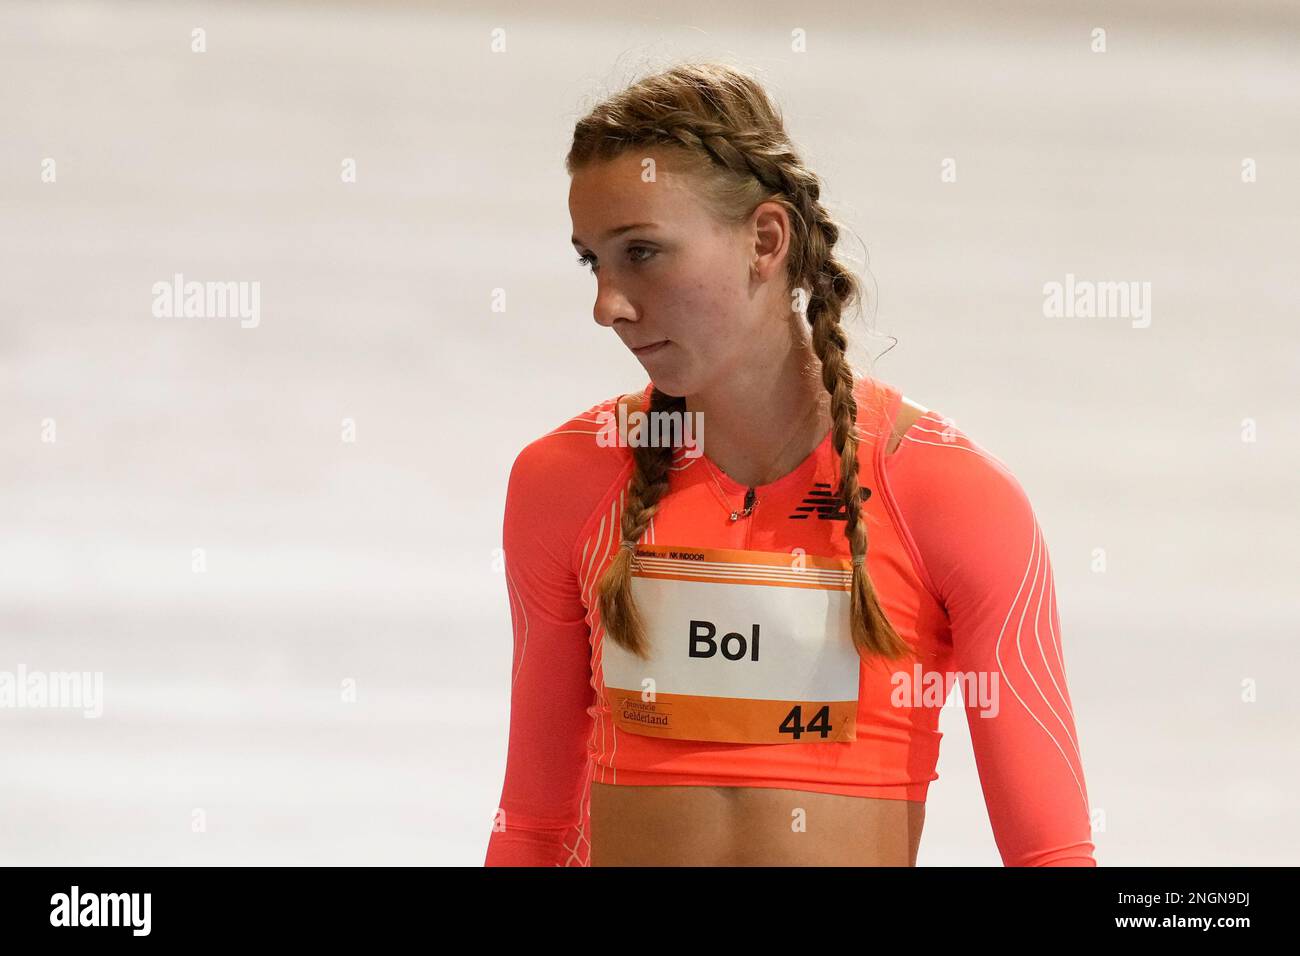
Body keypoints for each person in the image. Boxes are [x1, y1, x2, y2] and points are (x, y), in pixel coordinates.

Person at [484, 61, 1096, 867]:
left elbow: (1050, 855)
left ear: (765, 241)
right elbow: (532, 829)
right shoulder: (565, 482)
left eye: (642, 252)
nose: (608, 304)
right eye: (591, 261)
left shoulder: (945, 495)